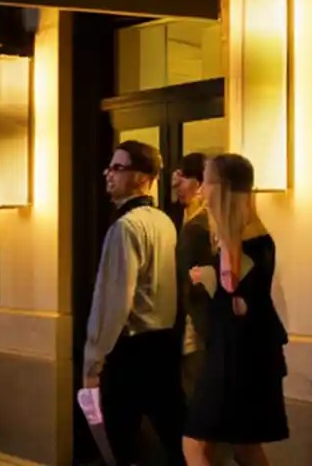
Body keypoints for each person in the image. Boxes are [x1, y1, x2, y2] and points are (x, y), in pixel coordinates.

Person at [84, 140, 185, 466]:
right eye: (109, 167)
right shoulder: (164, 222)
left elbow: (115, 301)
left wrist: (94, 358)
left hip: (130, 348)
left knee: (118, 444)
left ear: (142, 178)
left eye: (118, 168)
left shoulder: (125, 227)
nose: (108, 174)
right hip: (163, 344)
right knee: (173, 436)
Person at [184, 153, 289, 466]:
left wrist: (208, 278)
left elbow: (237, 299)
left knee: (195, 443)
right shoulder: (251, 234)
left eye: (207, 182)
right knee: (245, 446)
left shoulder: (241, 238)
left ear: (223, 187)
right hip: (246, 352)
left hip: (237, 356)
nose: (201, 189)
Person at [173, 153, 212, 400]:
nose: (177, 184)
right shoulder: (192, 220)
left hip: (196, 330)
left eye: (184, 177)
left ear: (200, 185)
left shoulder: (198, 226)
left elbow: (192, 282)